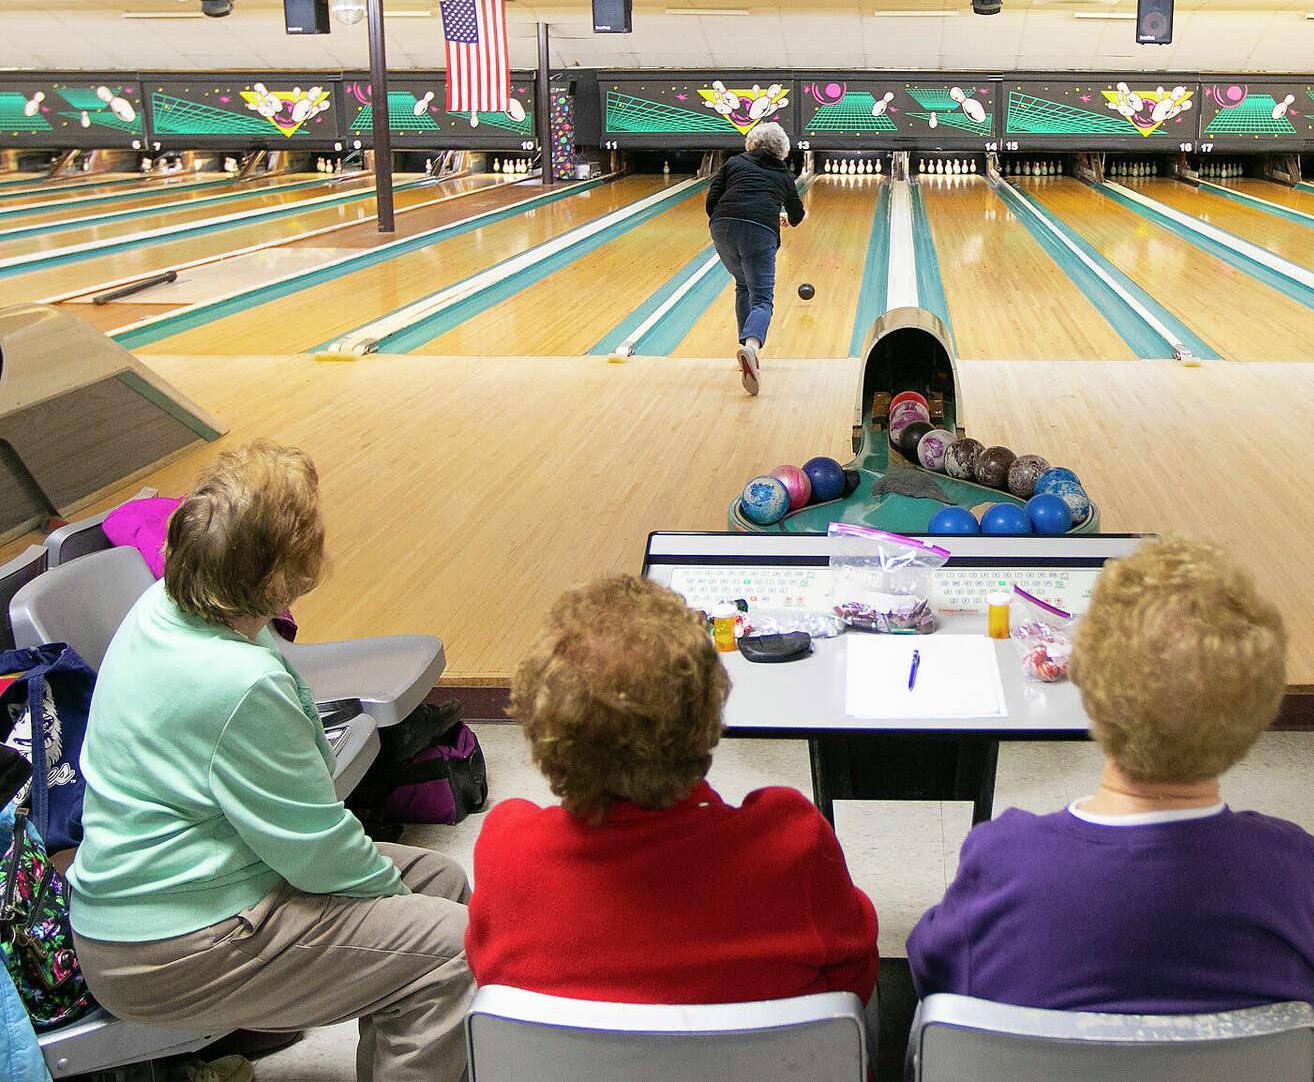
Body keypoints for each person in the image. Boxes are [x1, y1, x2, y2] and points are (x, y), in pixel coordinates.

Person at [68, 444, 473, 1082]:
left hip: (174, 900)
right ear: (281, 572)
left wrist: (400, 909)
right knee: (457, 951)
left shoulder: (167, 606)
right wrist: (398, 909)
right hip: (173, 945)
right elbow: (314, 847)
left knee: (443, 885)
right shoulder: (239, 682)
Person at [907, 535, 1314, 1014]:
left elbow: (933, 975)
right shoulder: (1299, 866)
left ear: (1087, 685)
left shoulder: (1005, 857)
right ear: (1260, 712)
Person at [466, 575, 878, 1006]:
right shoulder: (791, 842)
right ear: (708, 713)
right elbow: (856, 977)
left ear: (541, 730)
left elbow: (487, 974)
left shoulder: (506, 850)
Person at [706, 121, 805, 396]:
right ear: (782, 150)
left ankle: (744, 353)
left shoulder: (735, 162)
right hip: (759, 231)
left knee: (742, 284)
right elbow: (796, 216)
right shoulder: (783, 173)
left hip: (721, 226)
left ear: (752, 142)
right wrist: (777, 215)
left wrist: (727, 220)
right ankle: (750, 347)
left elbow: (710, 201)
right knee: (762, 298)